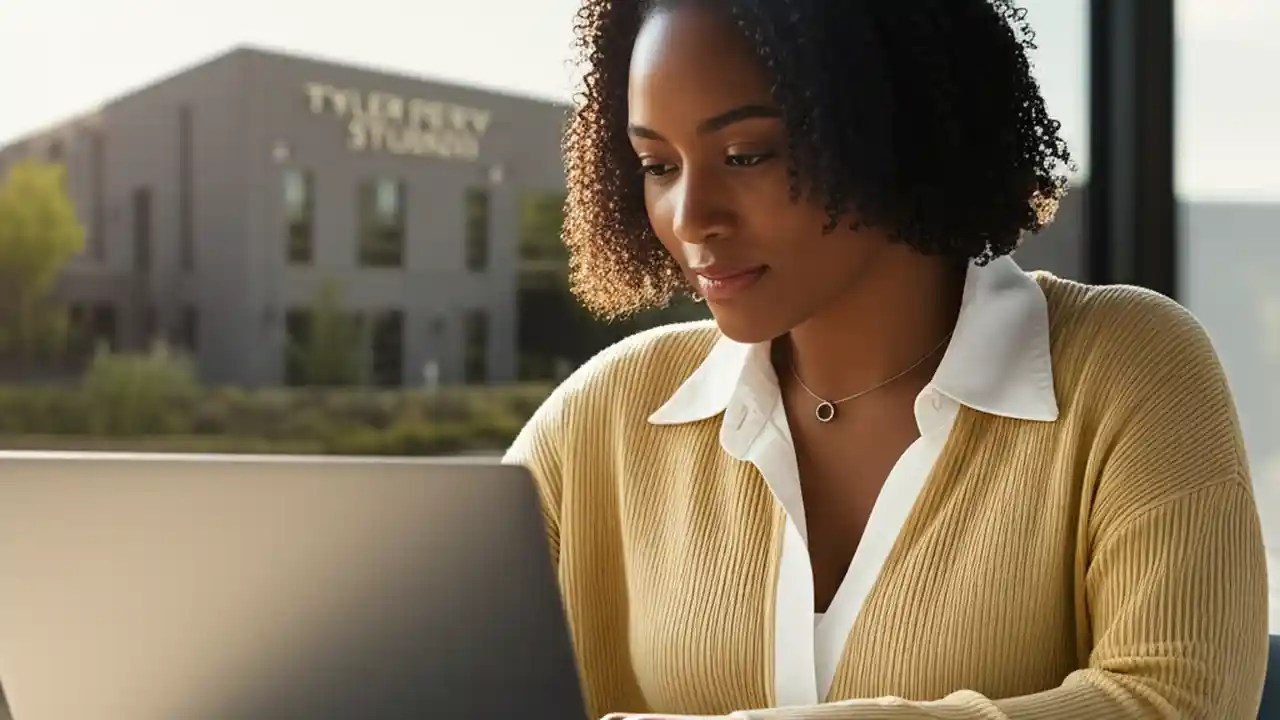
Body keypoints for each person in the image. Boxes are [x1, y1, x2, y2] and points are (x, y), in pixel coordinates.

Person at [503, 1, 1270, 718]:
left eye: (745, 155)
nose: (691, 217)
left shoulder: (1130, 366)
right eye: (658, 166)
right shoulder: (608, 409)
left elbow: (1176, 701)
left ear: (891, 131)